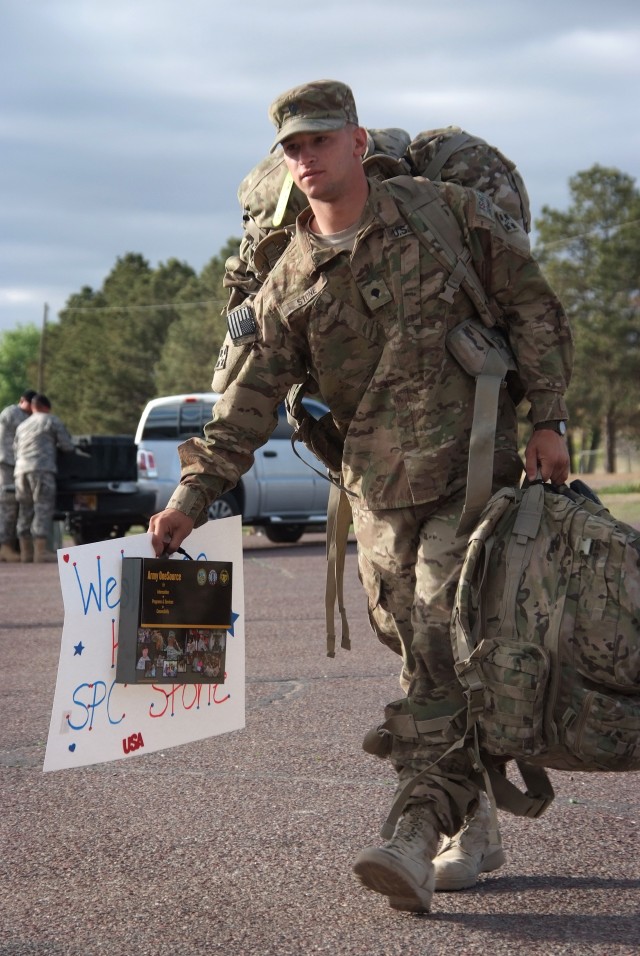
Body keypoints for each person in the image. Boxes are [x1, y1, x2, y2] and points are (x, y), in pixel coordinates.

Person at [148, 79, 573, 913]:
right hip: (377, 493)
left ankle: (412, 832)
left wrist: (548, 420)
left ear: (356, 140)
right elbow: (246, 407)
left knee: (442, 642)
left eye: (319, 140)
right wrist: (190, 500)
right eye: (292, 148)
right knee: (420, 650)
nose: (306, 158)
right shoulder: (291, 277)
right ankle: (474, 819)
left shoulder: (442, 212)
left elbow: (532, 306)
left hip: (469, 474)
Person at [13, 393, 75, 563]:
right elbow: (67, 446)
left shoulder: (22, 425)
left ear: (33, 407)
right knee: (42, 507)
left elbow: (15, 448)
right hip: (41, 469)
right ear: (47, 407)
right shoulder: (50, 420)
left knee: (25, 509)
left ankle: (26, 553)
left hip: (20, 471)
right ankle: (40, 553)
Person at [0, 388, 36, 562]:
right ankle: (5, 547)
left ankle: (12, 546)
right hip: (7, 464)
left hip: (17, 465)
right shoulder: (13, 413)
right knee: (8, 506)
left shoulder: (26, 415)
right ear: (23, 401)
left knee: (18, 506)